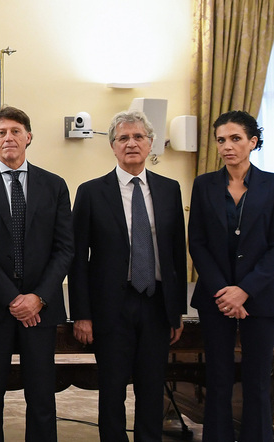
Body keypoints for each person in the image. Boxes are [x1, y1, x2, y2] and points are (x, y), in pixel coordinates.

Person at [0, 106, 73, 442]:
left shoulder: (55, 185)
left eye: (16, 131)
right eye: (1, 132)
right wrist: (12, 298)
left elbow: (65, 248)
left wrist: (37, 298)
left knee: (41, 396)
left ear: (29, 137)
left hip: (41, 308)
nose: (9, 137)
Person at [69, 111, 187, 442]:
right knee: (112, 389)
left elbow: (177, 252)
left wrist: (176, 310)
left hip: (157, 305)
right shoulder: (91, 192)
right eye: (123, 138)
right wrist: (82, 313)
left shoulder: (169, 189)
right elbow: (78, 258)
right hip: (111, 308)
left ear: (151, 143)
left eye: (138, 137)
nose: (131, 143)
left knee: (152, 389)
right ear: (112, 146)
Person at [189, 110, 274, 442]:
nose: (227, 146)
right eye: (221, 140)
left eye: (235, 139)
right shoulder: (204, 184)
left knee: (258, 379)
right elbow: (197, 243)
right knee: (217, 377)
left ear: (253, 142)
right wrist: (224, 291)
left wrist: (244, 290)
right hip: (215, 297)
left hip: (261, 296)